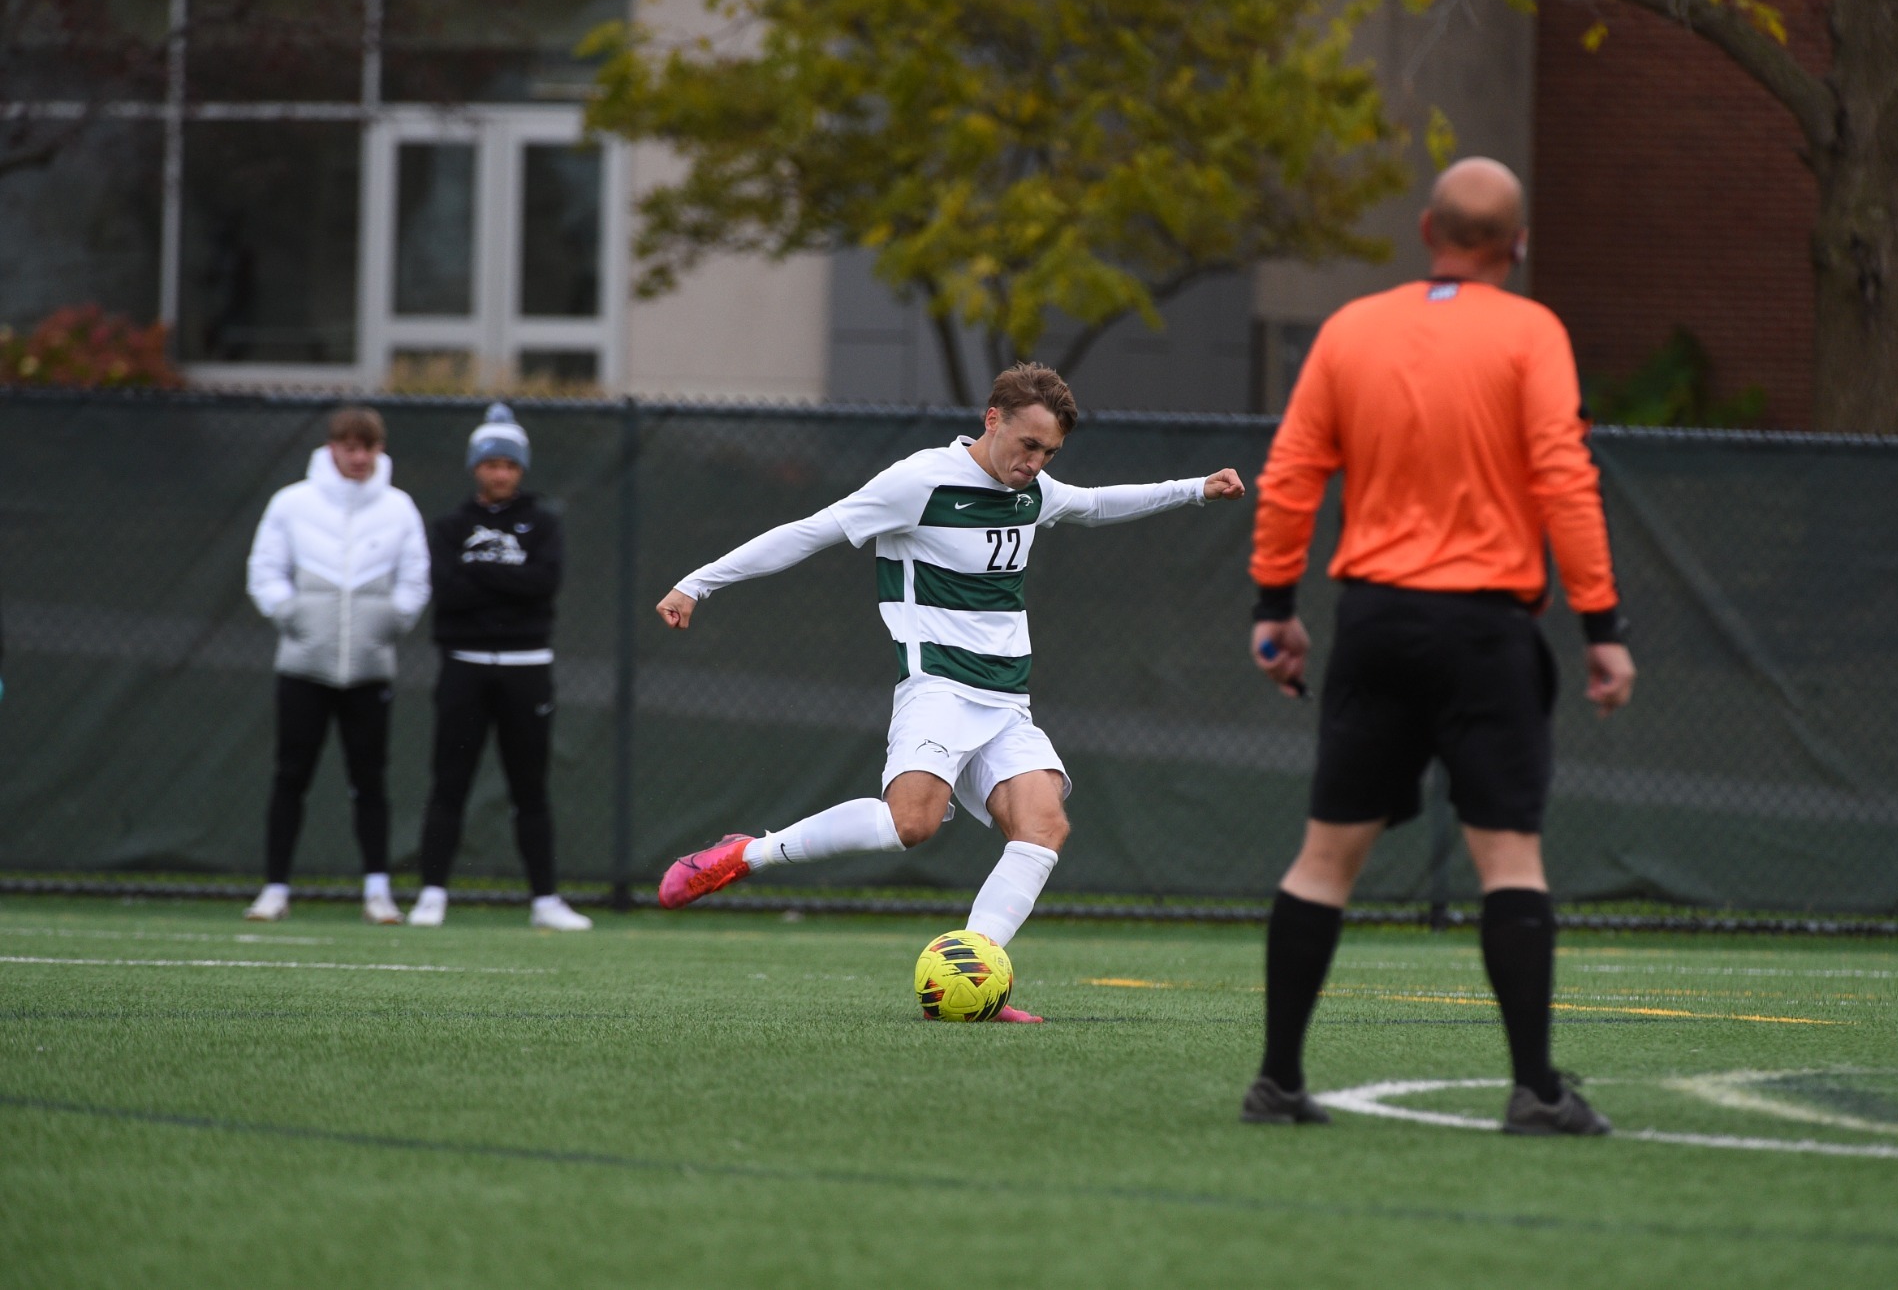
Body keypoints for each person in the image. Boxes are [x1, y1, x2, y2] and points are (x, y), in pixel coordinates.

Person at [655, 362, 1246, 1020]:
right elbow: (812, 530)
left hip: (1007, 703)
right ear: (993, 419)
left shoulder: (1034, 491)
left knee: (1043, 823)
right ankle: (746, 853)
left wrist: (1197, 488)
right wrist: (698, 582)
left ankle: (973, 980)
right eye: (1028, 444)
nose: (1035, 463)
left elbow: (1094, 504)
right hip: (937, 689)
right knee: (911, 824)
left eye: (1049, 452)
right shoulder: (919, 482)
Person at [1239, 158, 1637, 1133]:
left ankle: (1277, 1081)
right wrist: (1600, 628)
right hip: (1484, 633)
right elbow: (1563, 477)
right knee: (1508, 858)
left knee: (1323, 858)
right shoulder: (1529, 332)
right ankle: (1536, 1089)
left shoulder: (1350, 328)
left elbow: (1290, 475)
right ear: (1517, 243)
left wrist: (1273, 607)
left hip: (1372, 623)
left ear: (1426, 229)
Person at [409, 404, 591, 932]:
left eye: (509, 464)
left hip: (526, 669)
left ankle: (545, 901)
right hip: (463, 669)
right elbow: (446, 591)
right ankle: (432, 895)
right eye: (491, 463)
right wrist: (506, 583)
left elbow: (543, 586)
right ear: (475, 468)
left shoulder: (545, 524)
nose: (500, 473)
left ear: (521, 469)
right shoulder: (448, 527)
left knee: (529, 787)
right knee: (450, 782)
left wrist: (480, 573)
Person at [245, 406, 430, 923]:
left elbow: (415, 582)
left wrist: (389, 623)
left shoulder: (399, 509)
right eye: (349, 446)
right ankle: (275, 889)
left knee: (369, 780)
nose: (358, 457)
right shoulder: (292, 503)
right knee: (291, 776)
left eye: (367, 447)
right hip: (302, 669)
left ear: (379, 450)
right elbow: (265, 571)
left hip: (371, 674)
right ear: (331, 448)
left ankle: (377, 892)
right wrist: (293, 616)